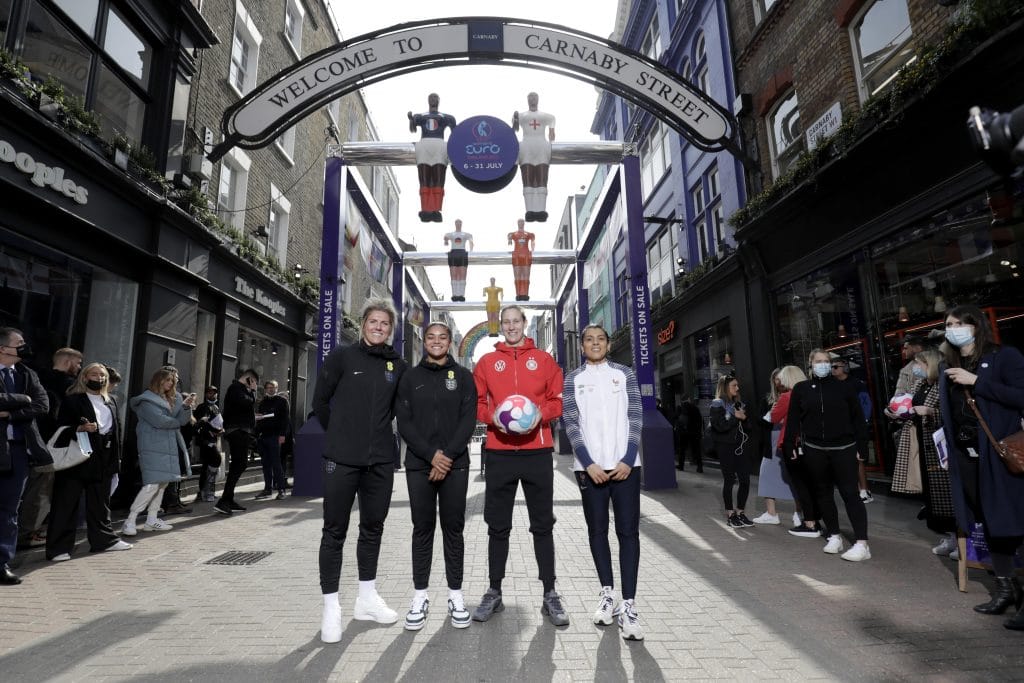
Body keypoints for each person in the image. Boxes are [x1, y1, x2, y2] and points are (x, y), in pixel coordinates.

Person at [313, 298, 408, 644]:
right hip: (342, 459)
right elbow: (320, 403)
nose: (379, 327)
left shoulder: (397, 365)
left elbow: (408, 408)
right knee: (333, 532)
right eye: (374, 321)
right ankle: (330, 607)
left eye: (385, 324)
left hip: (381, 462)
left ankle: (366, 599)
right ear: (364, 323)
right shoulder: (341, 356)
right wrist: (339, 434)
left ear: (391, 330)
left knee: (373, 529)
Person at [472, 305, 567, 626]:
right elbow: (477, 404)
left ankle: (550, 593)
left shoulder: (543, 360)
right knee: (498, 524)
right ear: (501, 326)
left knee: (543, 524)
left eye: (517, 321)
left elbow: (557, 400)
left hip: (537, 452)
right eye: (507, 322)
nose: (512, 327)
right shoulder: (486, 362)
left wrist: (540, 413)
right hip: (499, 452)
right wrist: (493, 417)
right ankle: (494, 591)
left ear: (525, 324)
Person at [938, 305, 1024, 629]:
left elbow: (1021, 395)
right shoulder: (950, 365)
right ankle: (1005, 590)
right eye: (949, 323)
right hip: (966, 458)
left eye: (961, 323)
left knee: (1014, 523)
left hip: (1000, 456)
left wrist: (977, 381)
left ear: (977, 326)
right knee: (989, 525)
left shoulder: (1004, 357)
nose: (954, 328)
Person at [562, 324, 644, 640]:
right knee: (597, 531)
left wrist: (628, 459)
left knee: (628, 533)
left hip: (626, 468)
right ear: (582, 346)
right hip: (590, 470)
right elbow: (571, 424)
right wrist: (589, 463)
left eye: (600, 339)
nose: (595, 344)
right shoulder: (573, 380)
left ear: (608, 345)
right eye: (589, 340)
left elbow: (635, 417)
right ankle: (607, 595)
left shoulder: (625, 375)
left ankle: (630, 605)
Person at [395, 322, 477, 631]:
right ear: (424, 341)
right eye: (431, 337)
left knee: (453, 529)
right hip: (419, 464)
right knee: (423, 528)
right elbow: (404, 421)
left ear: (450, 342)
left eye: (443, 337)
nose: (437, 341)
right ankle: (420, 596)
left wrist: (447, 456)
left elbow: (468, 420)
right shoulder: (409, 377)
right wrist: (431, 456)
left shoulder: (464, 377)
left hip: (455, 465)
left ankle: (456, 595)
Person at [782, 349, 871, 561]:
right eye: (818, 361)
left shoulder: (844, 387)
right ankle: (834, 535)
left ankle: (862, 543)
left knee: (850, 493)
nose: (823, 364)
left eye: (826, 361)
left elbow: (858, 418)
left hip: (844, 448)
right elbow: (793, 419)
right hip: (814, 449)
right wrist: (789, 445)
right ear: (810, 364)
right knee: (822, 493)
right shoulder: (801, 389)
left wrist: (862, 446)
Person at [46, 363, 132, 560]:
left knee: (100, 502)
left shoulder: (111, 401)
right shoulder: (73, 400)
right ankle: (58, 548)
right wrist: (79, 428)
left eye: (102, 375)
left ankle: (105, 540)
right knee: (66, 501)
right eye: (94, 374)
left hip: (104, 455)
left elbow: (116, 430)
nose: (99, 378)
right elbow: (59, 427)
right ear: (84, 377)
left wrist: (116, 460)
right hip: (78, 455)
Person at [889, 348, 956, 554]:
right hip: (920, 443)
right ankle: (949, 537)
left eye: (919, 364)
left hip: (938, 445)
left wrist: (930, 412)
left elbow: (952, 413)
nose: (916, 368)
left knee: (947, 494)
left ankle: (960, 538)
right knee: (931, 495)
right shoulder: (919, 385)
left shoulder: (943, 385)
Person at [0, 327, 49, 585]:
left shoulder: (27, 373)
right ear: (3, 348)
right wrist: (21, 399)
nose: (24, 346)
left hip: (18, 450)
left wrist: (9, 413)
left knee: (9, 509)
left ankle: (1, 563)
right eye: (19, 342)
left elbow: (42, 405)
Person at [19, 347, 81, 550]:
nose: (79, 367)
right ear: (68, 361)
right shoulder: (69, 386)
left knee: (27, 489)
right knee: (40, 490)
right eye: (78, 363)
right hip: (49, 445)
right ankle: (27, 533)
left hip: (26, 440)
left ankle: (25, 531)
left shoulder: (34, 378)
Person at [122, 366, 194, 536]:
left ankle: (152, 519)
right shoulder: (146, 400)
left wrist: (185, 407)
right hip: (152, 445)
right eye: (168, 379)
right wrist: (176, 419)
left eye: (173, 381)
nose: (171, 383)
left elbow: (182, 421)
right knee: (152, 484)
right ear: (159, 379)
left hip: (167, 445)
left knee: (162, 484)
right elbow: (161, 421)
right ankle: (130, 520)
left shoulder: (173, 398)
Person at [770, 366, 822, 538]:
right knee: (814, 484)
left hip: (792, 443)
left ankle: (809, 523)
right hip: (813, 443)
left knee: (801, 485)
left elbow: (773, 417)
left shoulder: (787, 396)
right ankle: (817, 520)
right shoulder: (813, 393)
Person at [709, 375, 753, 528]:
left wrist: (744, 418)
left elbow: (748, 427)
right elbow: (719, 426)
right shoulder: (717, 404)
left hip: (741, 446)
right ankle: (730, 513)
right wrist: (736, 417)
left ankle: (740, 512)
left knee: (745, 480)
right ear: (726, 386)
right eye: (734, 385)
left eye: (737, 385)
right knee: (729, 480)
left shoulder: (739, 403)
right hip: (725, 447)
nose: (737, 388)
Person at [752, 369, 794, 525]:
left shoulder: (794, 395)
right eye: (776, 379)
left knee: (794, 478)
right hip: (771, 442)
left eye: (781, 379)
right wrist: (771, 415)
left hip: (790, 441)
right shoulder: (767, 399)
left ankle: (799, 513)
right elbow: (759, 420)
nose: (779, 382)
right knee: (766, 475)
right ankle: (771, 513)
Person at [214, 368, 258, 515]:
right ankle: (224, 501)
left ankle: (228, 499)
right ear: (249, 380)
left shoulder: (239, 389)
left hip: (241, 430)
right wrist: (252, 391)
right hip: (236, 431)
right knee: (240, 464)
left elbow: (243, 407)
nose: (255, 386)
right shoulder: (235, 388)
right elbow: (245, 403)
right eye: (254, 383)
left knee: (238, 465)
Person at [831, 358, 874, 503]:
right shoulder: (832, 384)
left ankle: (864, 490)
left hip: (855, 426)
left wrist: (864, 421)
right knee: (848, 459)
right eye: (832, 367)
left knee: (858, 458)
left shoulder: (856, 384)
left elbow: (866, 403)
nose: (833, 369)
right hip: (840, 426)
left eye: (836, 367)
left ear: (845, 367)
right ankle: (856, 489)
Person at [408, 93, 456, 222]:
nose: (433, 99)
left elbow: (455, 132)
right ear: (427, 100)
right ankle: (425, 210)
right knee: (424, 179)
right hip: (424, 145)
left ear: (439, 101)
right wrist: (411, 120)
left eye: (436, 98)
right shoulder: (421, 116)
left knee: (438, 179)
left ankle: (436, 210)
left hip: (439, 146)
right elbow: (413, 129)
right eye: (431, 97)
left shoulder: (446, 117)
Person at [512, 91, 555, 221]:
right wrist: (515, 119)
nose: (532, 99)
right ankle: (529, 211)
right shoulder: (521, 115)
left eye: (535, 97)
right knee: (528, 180)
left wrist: (552, 139)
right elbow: (515, 129)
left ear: (538, 99)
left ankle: (541, 210)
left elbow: (552, 134)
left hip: (541, 146)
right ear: (527, 99)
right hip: (526, 147)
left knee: (542, 179)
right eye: (530, 97)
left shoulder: (546, 116)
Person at [255, 380, 289, 501]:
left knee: (276, 464)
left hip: (275, 436)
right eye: (268, 387)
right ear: (265, 389)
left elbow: (285, 420)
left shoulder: (282, 401)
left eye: (273, 387)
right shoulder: (262, 402)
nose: (271, 389)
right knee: (265, 464)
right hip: (263, 436)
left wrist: (282, 435)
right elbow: (259, 417)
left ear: (276, 388)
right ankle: (267, 489)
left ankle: (281, 490)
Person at [192, 386, 223, 503]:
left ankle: (206, 492)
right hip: (205, 441)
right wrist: (214, 429)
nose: (212, 395)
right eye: (210, 393)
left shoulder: (215, 407)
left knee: (207, 466)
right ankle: (205, 492)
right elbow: (200, 424)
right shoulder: (202, 407)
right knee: (215, 461)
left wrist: (219, 430)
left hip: (213, 439)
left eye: (214, 393)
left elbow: (218, 424)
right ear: (205, 394)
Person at [444, 220, 474, 302]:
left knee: (462, 275)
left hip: (462, 253)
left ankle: (461, 295)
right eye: (457, 222)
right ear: (455, 224)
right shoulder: (452, 234)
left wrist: (471, 248)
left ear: (462, 224)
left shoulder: (465, 234)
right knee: (453, 275)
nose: (458, 224)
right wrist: (446, 241)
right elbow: (446, 236)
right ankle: (454, 295)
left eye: (460, 222)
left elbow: (471, 239)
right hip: (453, 253)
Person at [508, 219, 536, 301]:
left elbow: (533, 240)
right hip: (517, 255)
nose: (521, 223)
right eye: (519, 222)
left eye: (522, 222)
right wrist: (509, 240)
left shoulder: (528, 234)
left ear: (524, 223)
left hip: (526, 254)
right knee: (517, 276)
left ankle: (526, 294)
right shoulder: (513, 234)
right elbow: (509, 238)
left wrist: (533, 249)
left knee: (526, 275)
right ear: (517, 223)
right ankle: (518, 295)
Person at [677, 396, 703, 472]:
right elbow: (699, 420)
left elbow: (678, 420)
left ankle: (681, 466)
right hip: (694, 432)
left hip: (684, 433)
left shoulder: (680, 408)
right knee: (697, 450)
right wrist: (699, 431)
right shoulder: (695, 408)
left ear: (682, 401)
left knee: (682, 449)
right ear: (688, 399)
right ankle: (699, 467)